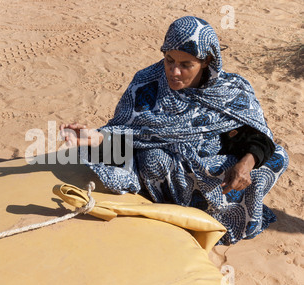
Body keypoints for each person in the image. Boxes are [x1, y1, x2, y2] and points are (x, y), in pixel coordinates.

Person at [60, 16, 288, 245]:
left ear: (207, 61)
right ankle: (177, 214)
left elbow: (258, 136)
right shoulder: (146, 83)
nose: (174, 71)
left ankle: (225, 216)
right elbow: (130, 133)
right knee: (152, 159)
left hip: (215, 165)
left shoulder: (232, 90)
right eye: (169, 60)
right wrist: (95, 138)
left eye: (185, 65)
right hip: (169, 171)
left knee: (276, 157)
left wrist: (245, 164)